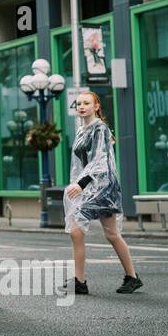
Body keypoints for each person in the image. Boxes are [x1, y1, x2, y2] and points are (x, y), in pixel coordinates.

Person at [62, 90, 141, 295]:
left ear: (96, 106)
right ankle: (129, 277)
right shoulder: (81, 130)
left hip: (103, 187)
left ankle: (83, 281)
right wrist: (79, 183)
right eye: (78, 103)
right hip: (89, 187)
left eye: (86, 103)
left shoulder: (100, 128)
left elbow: (101, 160)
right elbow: (79, 164)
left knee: (97, 231)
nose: (81, 107)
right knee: (100, 233)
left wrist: (81, 184)